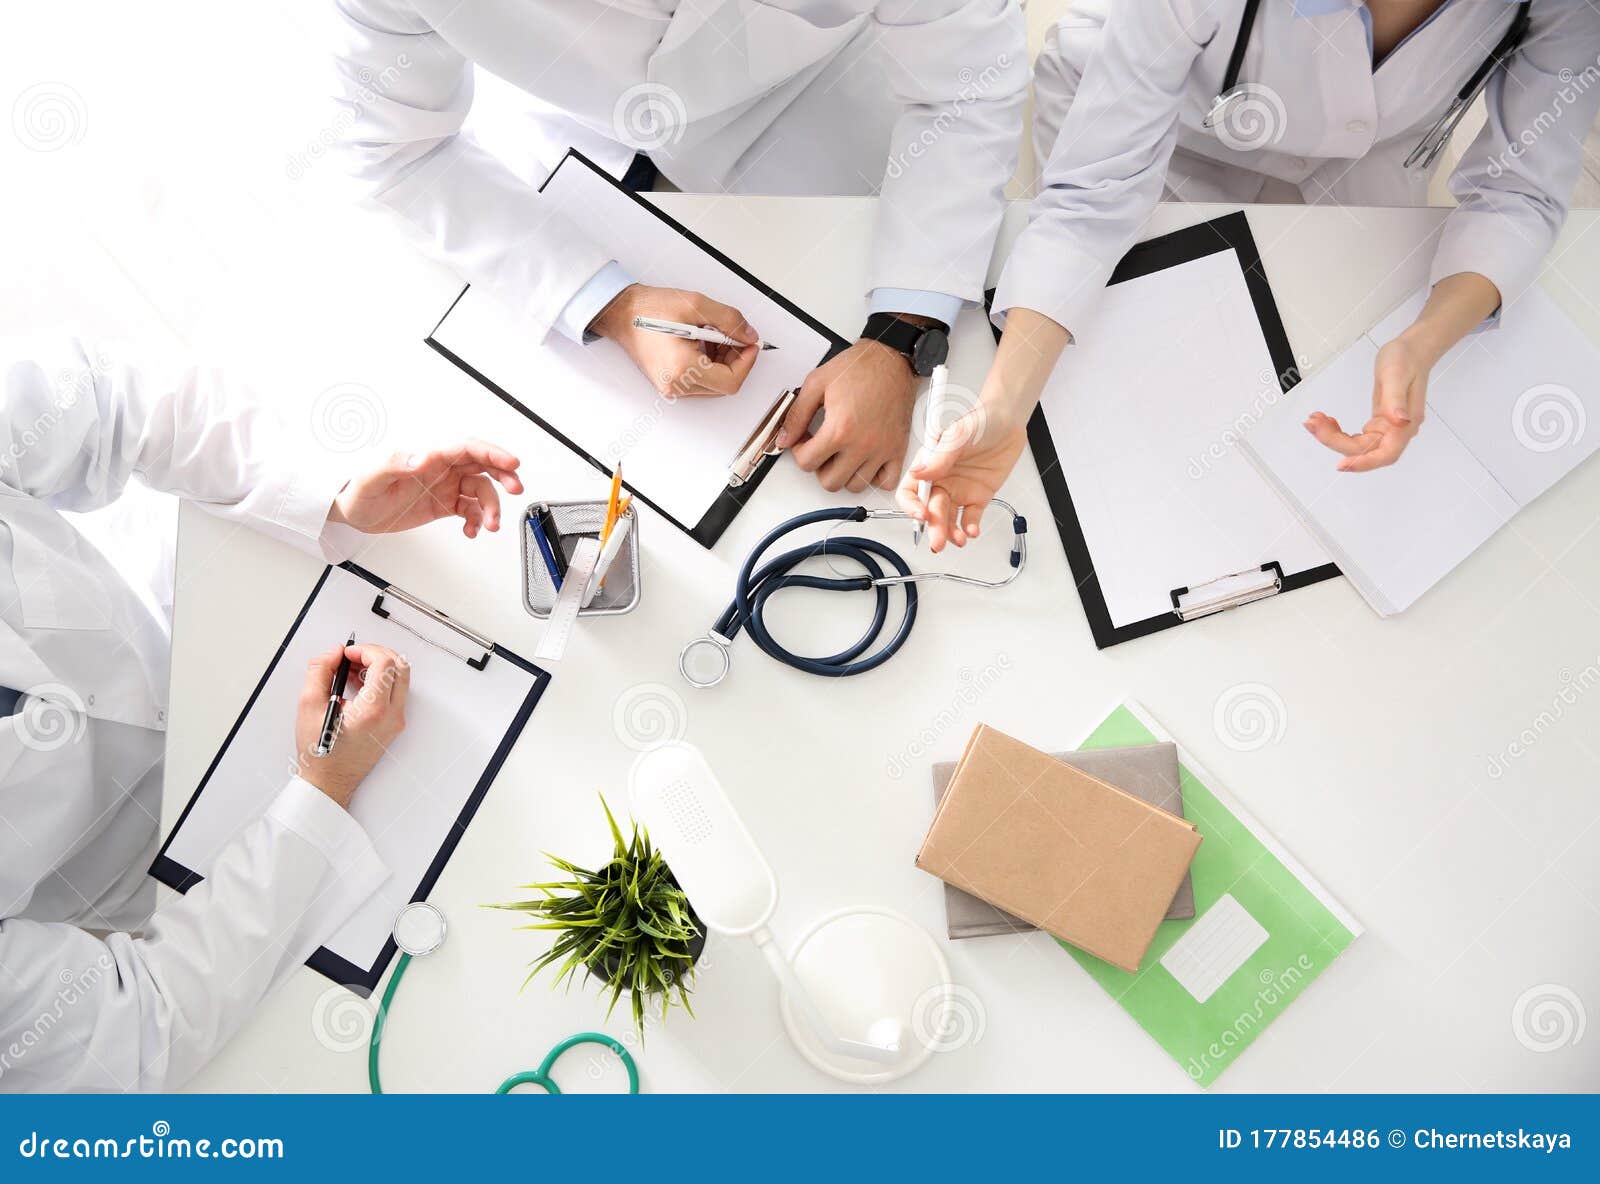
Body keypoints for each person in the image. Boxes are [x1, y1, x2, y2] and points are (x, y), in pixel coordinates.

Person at [0, 338, 523, 1091]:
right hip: (167, 890)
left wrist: (329, 494)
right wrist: (321, 792)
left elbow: (113, 402)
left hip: (205, 629)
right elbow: (139, 1032)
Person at [899, 0, 1600, 549]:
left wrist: (1424, 339)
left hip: (1357, 164)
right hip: (1171, 135)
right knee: (1152, 376)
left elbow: (1520, 192)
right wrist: (1002, 407)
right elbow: (1093, 201)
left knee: (1305, 388)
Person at [328, 0, 1027, 493]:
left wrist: (903, 338)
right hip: (600, 137)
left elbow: (965, 90)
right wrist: (607, 302)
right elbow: (395, 157)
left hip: (834, 88)